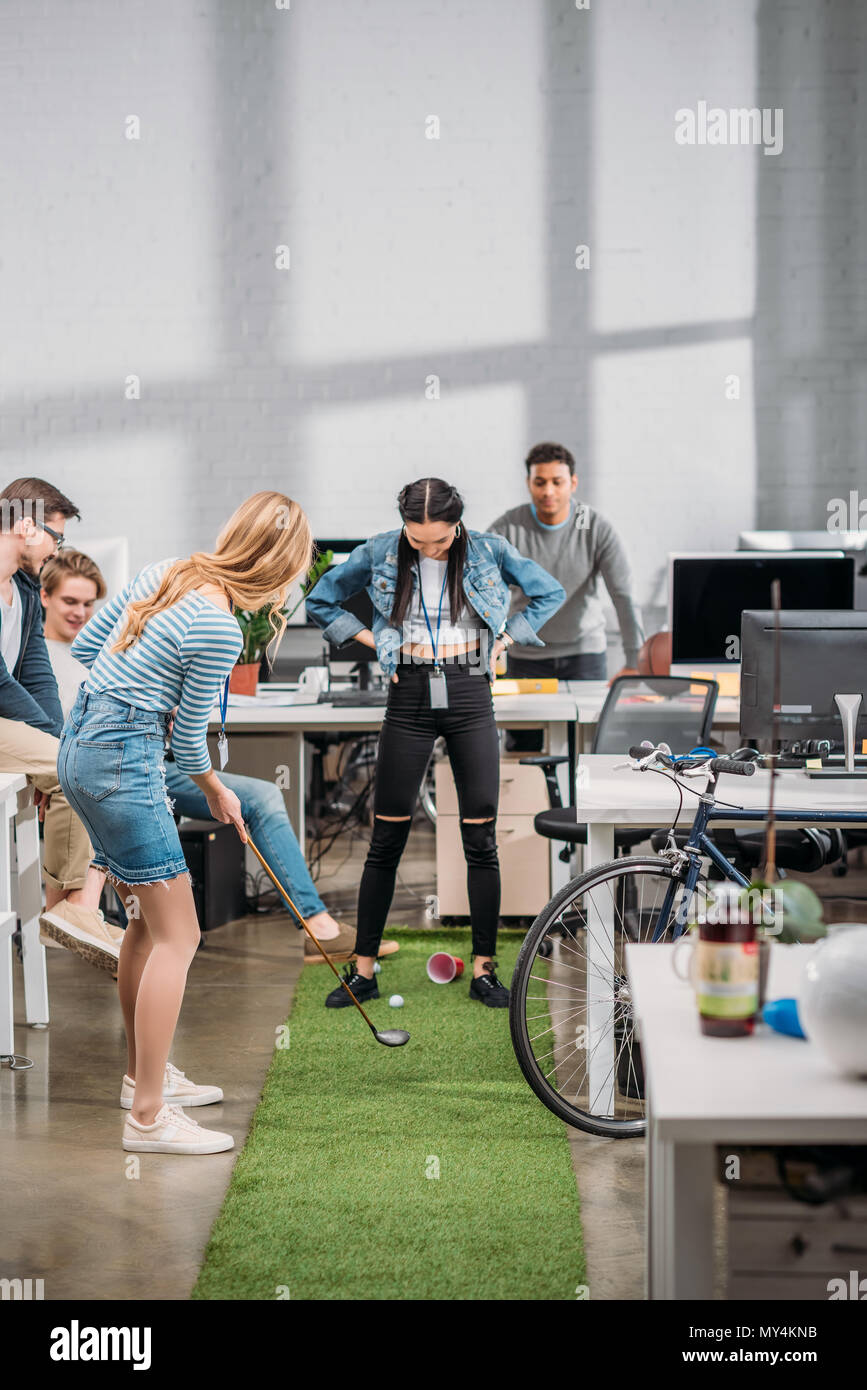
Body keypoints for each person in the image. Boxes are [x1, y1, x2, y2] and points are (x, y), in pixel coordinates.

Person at [57, 491, 312, 1156]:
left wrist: (146, 684)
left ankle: (144, 1079)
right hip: (123, 761)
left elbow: (87, 645)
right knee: (180, 935)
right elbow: (193, 747)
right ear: (277, 566)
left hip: (81, 746)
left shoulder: (168, 570)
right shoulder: (221, 626)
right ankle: (147, 1119)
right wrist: (216, 791)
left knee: (145, 922)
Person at [40, 548, 397, 967]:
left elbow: (100, 661)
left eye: (87, 603)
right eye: (69, 602)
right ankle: (82, 906)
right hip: (116, 757)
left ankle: (316, 924)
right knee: (176, 936)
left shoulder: (157, 583)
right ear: (44, 597)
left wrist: (159, 701)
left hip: (132, 754)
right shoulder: (42, 659)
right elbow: (181, 740)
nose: (80, 612)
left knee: (256, 802)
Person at [306, 478, 565, 1010]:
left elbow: (548, 592)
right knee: (386, 838)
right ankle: (364, 971)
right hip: (409, 692)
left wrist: (508, 639)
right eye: (417, 540)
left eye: (439, 541)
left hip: (471, 690)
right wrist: (373, 638)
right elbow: (321, 600)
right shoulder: (380, 550)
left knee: (480, 836)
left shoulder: (489, 550)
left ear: (457, 524)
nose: (427, 549)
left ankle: (485, 971)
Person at [0, 477, 123, 970]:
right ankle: (68, 910)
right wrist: (56, 751)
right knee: (73, 763)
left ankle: (70, 907)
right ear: (26, 526)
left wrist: (56, 741)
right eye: (57, 535)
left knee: (77, 763)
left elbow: (35, 671)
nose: (58, 549)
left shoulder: (25, 590)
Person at [488, 442, 645, 751]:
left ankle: (579, 800)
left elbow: (623, 595)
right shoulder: (507, 528)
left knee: (589, 747)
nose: (548, 491)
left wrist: (634, 661)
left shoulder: (595, 527)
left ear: (573, 483)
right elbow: (483, 595)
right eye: (540, 482)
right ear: (528, 483)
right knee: (525, 750)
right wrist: (484, 650)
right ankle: (540, 800)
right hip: (526, 657)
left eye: (557, 482)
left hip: (584, 655)